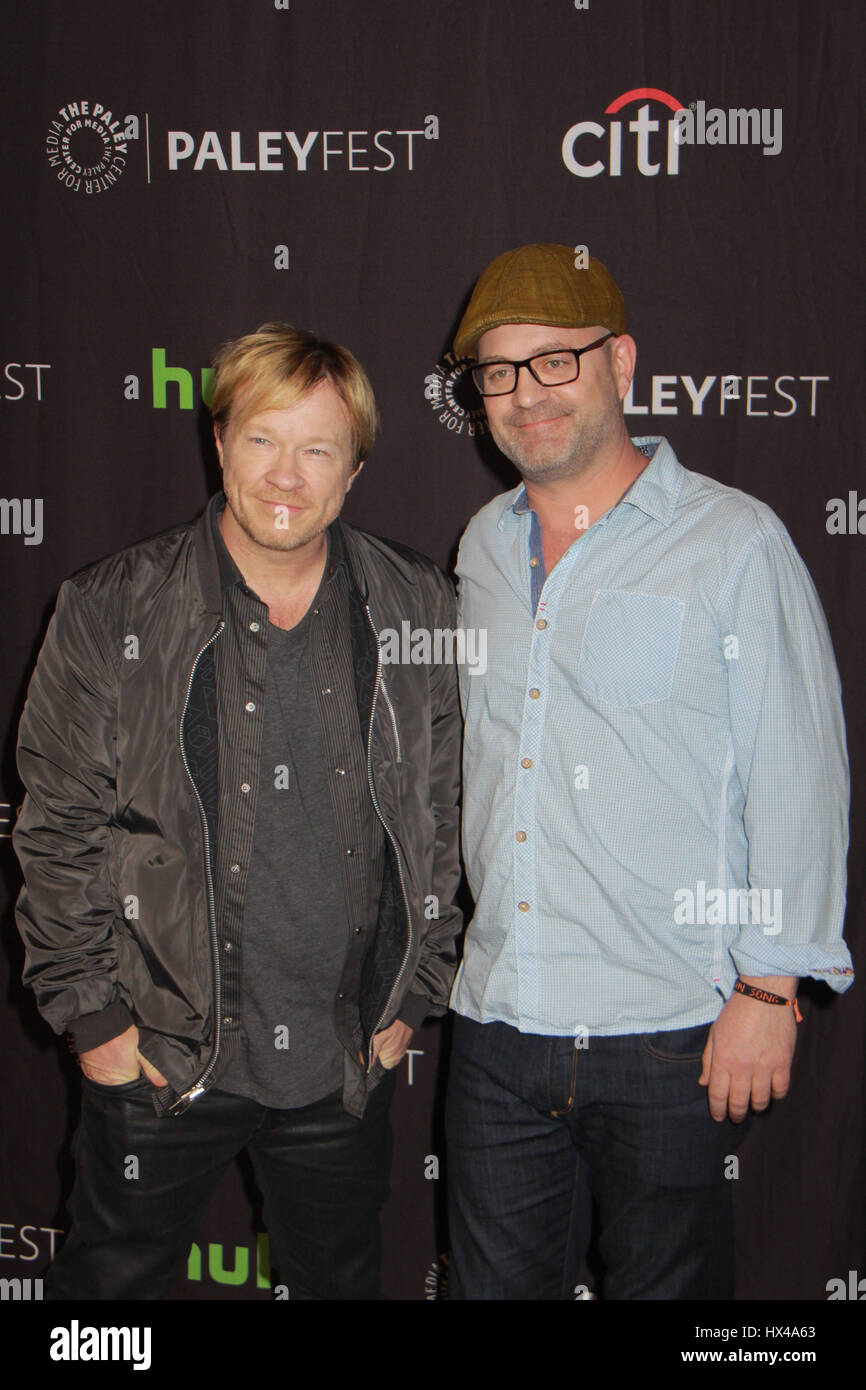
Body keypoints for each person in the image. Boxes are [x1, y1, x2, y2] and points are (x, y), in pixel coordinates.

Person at [13, 321, 462, 1300]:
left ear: (354, 469)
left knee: (338, 1284)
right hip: (160, 1047)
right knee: (107, 1305)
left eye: (317, 448)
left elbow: (440, 805)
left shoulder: (418, 603)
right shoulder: (112, 607)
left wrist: (414, 991)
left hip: (345, 1055)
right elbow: (56, 829)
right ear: (219, 442)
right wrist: (94, 1021)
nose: (286, 475)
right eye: (261, 437)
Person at [445, 243, 853, 1300]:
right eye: (497, 371)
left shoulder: (730, 541)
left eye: (554, 360)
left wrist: (770, 983)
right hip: (495, 1027)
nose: (525, 394)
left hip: (669, 1032)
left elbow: (797, 775)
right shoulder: (480, 548)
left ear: (618, 361)